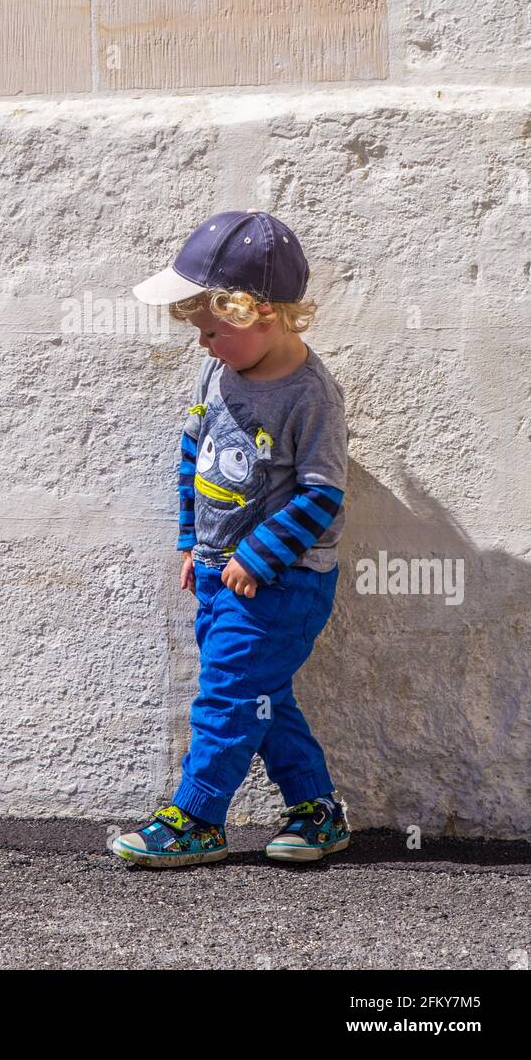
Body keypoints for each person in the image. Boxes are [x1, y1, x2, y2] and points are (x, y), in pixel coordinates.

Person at [110, 209, 351, 867]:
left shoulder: (310, 397)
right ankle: (316, 811)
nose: (203, 344)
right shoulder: (217, 372)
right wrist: (192, 542)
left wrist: (256, 555)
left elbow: (323, 494)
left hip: (281, 583)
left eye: (213, 331)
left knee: (225, 699)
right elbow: (192, 452)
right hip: (219, 574)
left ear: (260, 315)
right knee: (261, 700)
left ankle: (196, 817)